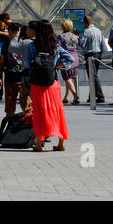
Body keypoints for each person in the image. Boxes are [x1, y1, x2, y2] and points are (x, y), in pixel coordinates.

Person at [27, 20, 72, 152]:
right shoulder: (55, 46)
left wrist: (33, 70)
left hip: (37, 84)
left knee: (39, 113)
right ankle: (61, 142)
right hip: (53, 84)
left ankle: (39, 144)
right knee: (57, 111)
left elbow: (26, 64)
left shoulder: (32, 46)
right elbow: (70, 59)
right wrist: (58, 67)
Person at [77, 14, 106, 104]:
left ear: (85, 23)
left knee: (93, 76)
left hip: (90, 55)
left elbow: (82, 44)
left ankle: (100, 96)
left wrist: (77, 37)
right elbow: (103, 44)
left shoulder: (86, 32)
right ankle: (92, 96)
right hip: (98, 54)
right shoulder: (98, 30)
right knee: (94, 75)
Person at [2, 22, 30, 115]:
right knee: (9, 107)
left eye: (15, 31)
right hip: (10, 78)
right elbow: (2, 61)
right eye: (10, 31)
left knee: (27, 105)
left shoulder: (26, 43)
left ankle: (28, 125)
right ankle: (10, 125)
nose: (11, 33)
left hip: (23, 78)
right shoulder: (6, 44)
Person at [57, 20, 79, 105]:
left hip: (66, 58)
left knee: (67, 78)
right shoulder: (75, 36)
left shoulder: (60, 36)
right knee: (68, 78)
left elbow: (58, 48)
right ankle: (66, 97)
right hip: (75, 57)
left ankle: (75, 95)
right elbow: (77, 45)